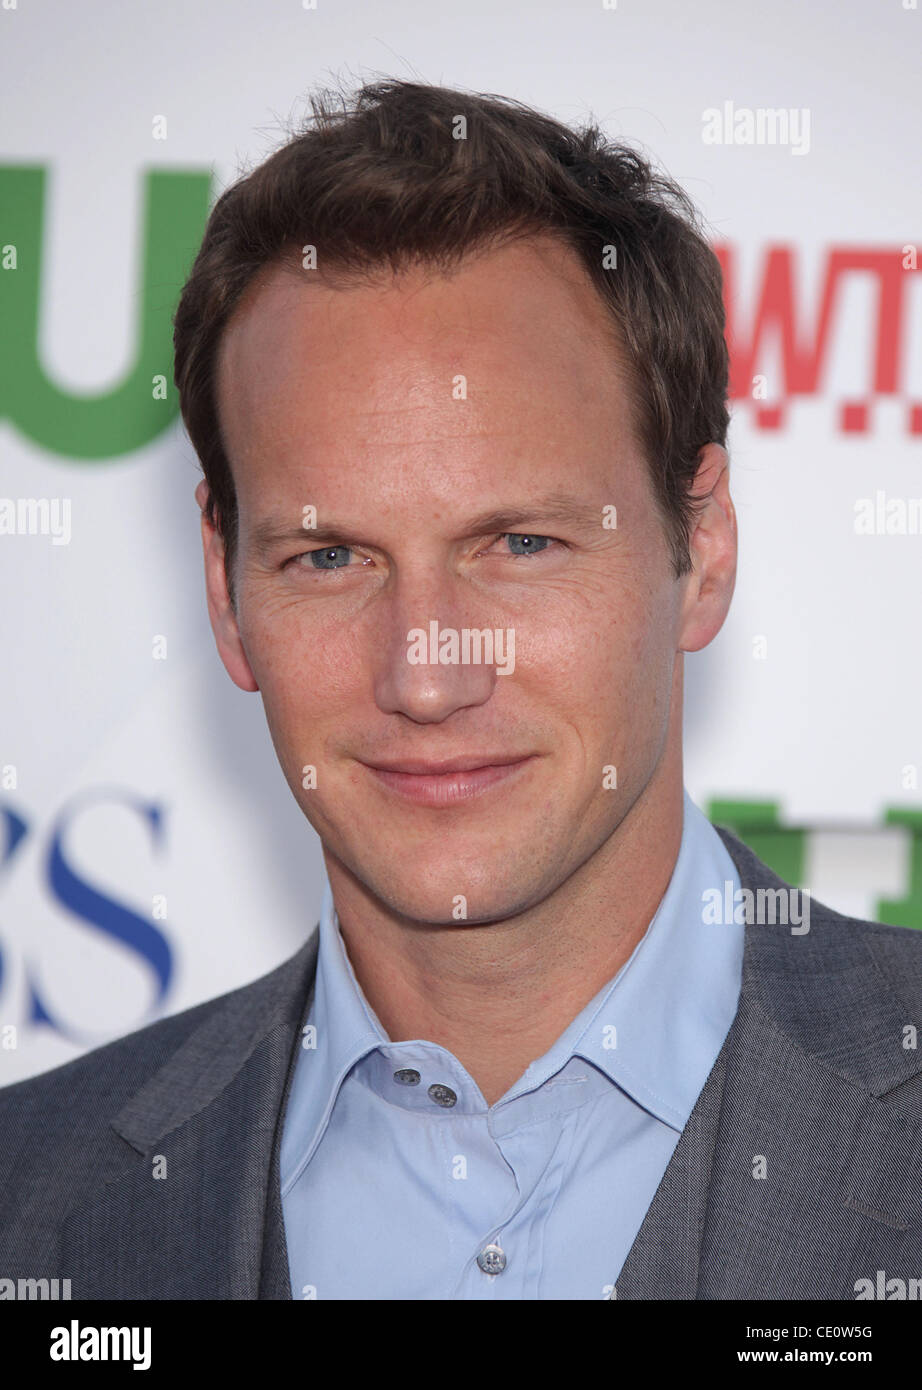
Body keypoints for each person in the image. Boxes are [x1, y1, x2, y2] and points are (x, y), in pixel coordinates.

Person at [2, 79, 920, 1302]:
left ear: (697, 549)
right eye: (330, 557)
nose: (425, 674)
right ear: (224, 592)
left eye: (520, 544)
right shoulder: (31, 1198)